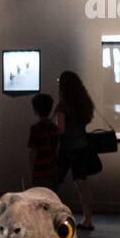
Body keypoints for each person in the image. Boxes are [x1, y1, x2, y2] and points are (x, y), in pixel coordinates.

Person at [55, 70, 99, 229]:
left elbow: (60, 130)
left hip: (66, 149)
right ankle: (88, 219)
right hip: (82, 147)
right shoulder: (83, 104)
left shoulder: (62, 106)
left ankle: (52, 218)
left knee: (54, 184)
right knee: (82, 185)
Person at [27, 92, 60, 189]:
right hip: (53, 171)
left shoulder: (35, 129)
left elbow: (33, 153)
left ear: (35, 110)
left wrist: (31, 174)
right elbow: (57, 150)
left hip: (39, 173)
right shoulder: (55, 128)